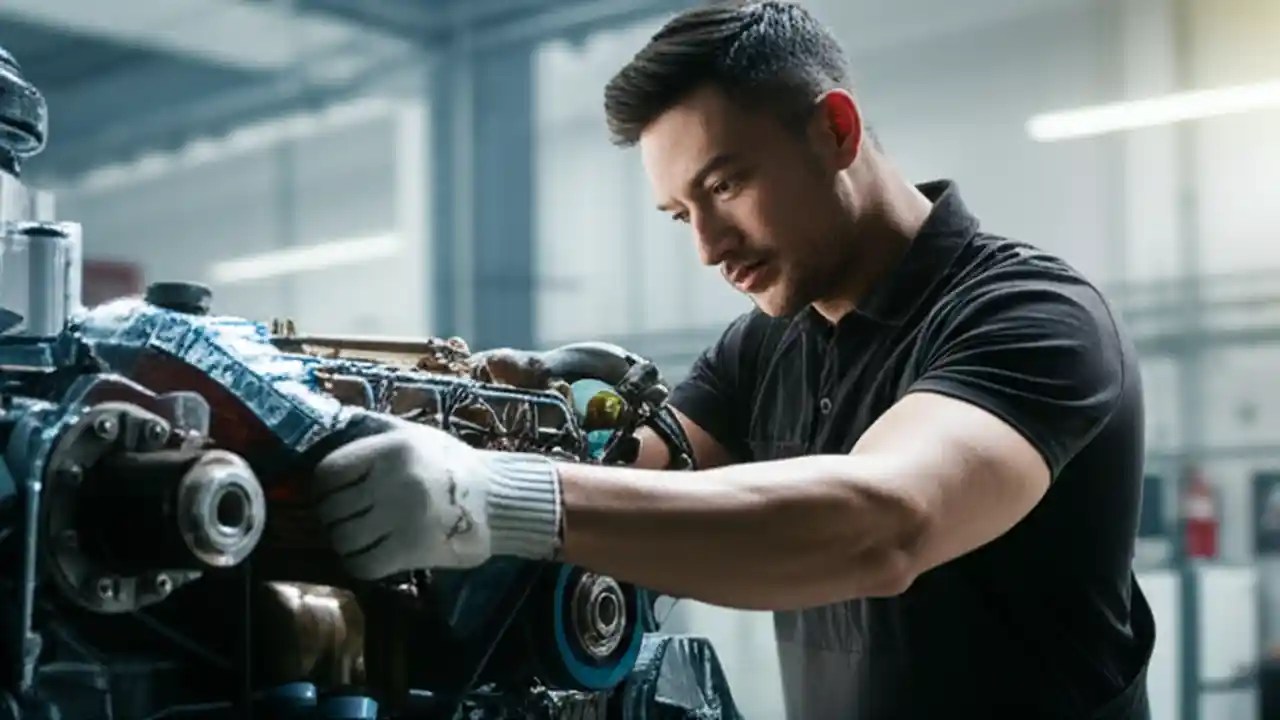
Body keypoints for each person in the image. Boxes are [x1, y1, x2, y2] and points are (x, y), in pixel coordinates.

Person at [310, 2, 1156, 718]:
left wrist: (486, 495)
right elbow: (635, 477)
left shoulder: (1032, 316)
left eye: (724, 186)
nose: (710, 249)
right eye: (681, 215)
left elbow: (885, 523)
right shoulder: (769, 342)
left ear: (836, 129)